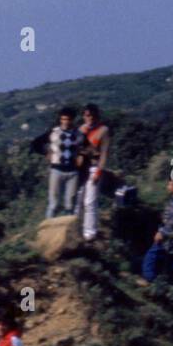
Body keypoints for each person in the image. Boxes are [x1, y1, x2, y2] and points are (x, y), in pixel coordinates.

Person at [37, 107, 82, 218]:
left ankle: (68, 232)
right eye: (63, 119)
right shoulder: (54, 132)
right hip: (56, 170)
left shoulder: (78, 134)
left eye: (68, 119)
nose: (65, 122)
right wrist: (46, 152)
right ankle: (46, 232)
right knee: (53, 204)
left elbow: (86, 147)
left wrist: (82, 155)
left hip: (73, 172)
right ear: (60, 119)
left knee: (70, 205)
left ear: (72, 120)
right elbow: (36, 143)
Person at [77, 103, 110, 242]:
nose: (89, 118)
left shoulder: (103, 130)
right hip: (81, 168)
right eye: (86, 115)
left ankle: (90, 233)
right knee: (77, 199)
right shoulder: (80, 130)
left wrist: (99, 171)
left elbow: (104, 153)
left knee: (90, 201)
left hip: (94, 167)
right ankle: (76, 228)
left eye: (91, 115)